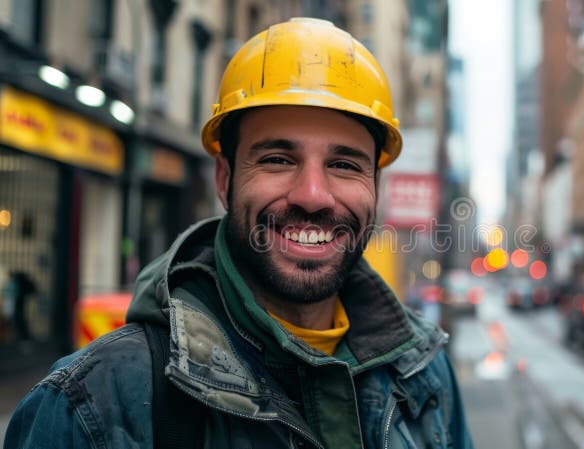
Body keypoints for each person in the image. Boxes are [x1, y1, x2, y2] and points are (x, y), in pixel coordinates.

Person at [5, 18, 473, 449]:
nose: (313, 195)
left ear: (375, 186)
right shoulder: (90, 408)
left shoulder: (425, 377)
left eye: (344, 165)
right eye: (277, 159)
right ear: (225, 178)